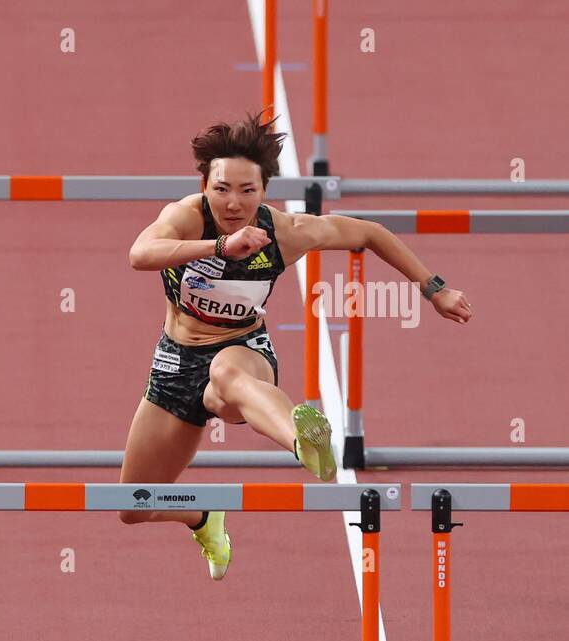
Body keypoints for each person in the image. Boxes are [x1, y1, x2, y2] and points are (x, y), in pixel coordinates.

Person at [122, 113, 471, 580]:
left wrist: (434, 289)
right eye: (222, 188)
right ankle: (202, 517)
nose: (234, 202)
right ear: (205, 182)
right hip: (174, 363)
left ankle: (303, 442)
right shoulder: (185, 217)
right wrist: (219, 247)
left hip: (242, 350)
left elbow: (369, 232)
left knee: (226, 379)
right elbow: (139, 255)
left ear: (265, 189)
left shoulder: (285, 233)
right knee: (132, 505)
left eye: (248, 190)